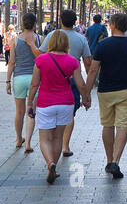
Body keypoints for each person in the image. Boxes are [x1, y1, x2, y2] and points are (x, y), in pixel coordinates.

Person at [83, 13, 127, 179]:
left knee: (108, 125)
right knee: (123, 126)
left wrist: (86, 93)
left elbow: (93, 70)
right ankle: (116, 162)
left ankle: (109, 159)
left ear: (114, 25)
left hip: (106, 91)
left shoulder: (103, 45)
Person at [28, 29, 87, 184]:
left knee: (45, 138)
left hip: (45, 103)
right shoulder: (72, 61)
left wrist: (30, 102)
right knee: (58, 137)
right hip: (66, 103)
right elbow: (80, 83)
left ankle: (50, 164)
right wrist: (86, 98)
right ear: (66, 44)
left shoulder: (41, 60)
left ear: (51, 43)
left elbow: (34, 84)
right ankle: (54, 165)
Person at [42, 9, 92, 158]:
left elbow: (41, 55)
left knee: (51, 112)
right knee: (69, 114)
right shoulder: (81, 38)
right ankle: (65, 146)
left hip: (52, 78)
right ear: (75, 21)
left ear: (61, 20)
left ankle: (52, 142)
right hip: (72, 78)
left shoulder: (52, 35)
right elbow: (88, 62)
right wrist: (88, 89)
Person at [7, 13, 42, 153]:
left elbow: (11, 62)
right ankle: (28, 142)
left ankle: (18, 138)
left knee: (19, 111)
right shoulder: (39, 38)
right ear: (35, 24)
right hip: (34, 78)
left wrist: (8, 81)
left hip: (19, 78)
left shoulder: (15, 40)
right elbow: (42, 57)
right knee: (31, 111)